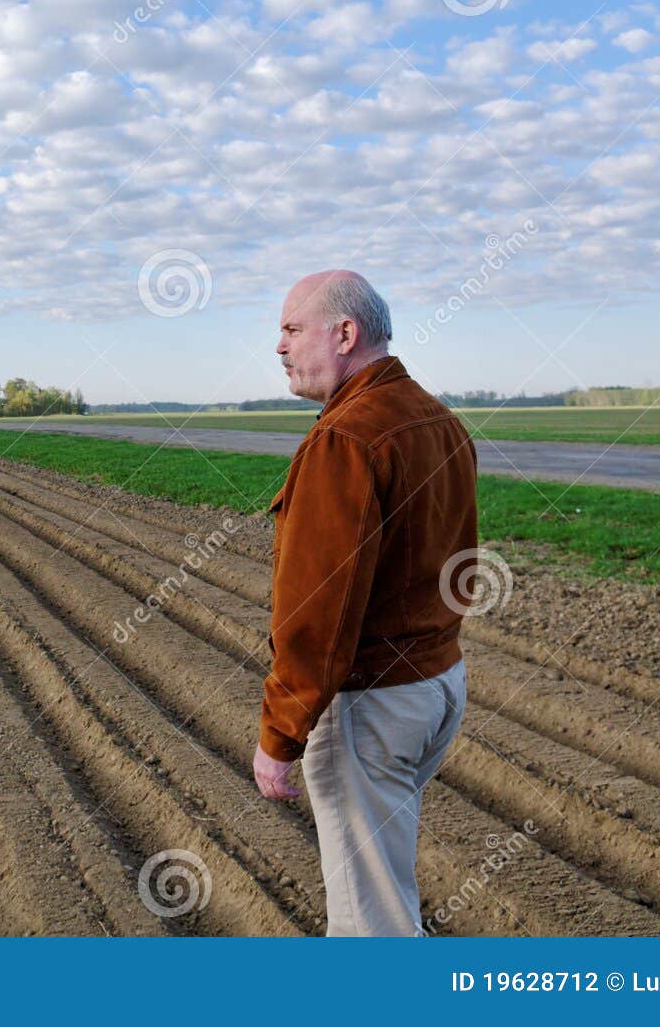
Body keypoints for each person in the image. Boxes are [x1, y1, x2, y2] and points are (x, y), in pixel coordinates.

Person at [252, 269, 476, 937]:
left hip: (371, 703)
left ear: (345, 334)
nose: (280, 347)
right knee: (385, 886)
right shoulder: (439, 419)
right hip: (438, 687)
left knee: (368, 926)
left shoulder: (344, 439)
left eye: (293, 329)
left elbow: (318, 610)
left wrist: (279, 735)